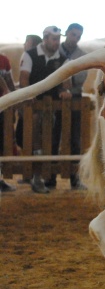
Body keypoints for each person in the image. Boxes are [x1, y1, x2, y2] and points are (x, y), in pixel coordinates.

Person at [19, 26, 73, 194]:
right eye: (54, 39)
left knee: (47, 141)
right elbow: (23, 79)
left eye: (58, 39)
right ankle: (34, 175)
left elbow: (66, 81)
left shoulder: (63, 59)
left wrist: (66, 91)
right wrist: (28, 94)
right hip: (32, 108)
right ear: (45, 38)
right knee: (27, 139)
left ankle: (39, 177)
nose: (57, 43)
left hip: (51, 109)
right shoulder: (30, 55)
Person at [55, 23, 88, 190]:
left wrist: (64, 81)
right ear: (67, 33)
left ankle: (75, 178)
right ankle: (50, 178)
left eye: (78, 36)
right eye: (73, 34)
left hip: (74, 97)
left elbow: (81, 78)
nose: (75, 38)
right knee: (53, 135)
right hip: (55, 98)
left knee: (75, 138)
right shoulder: (56, 52)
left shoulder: (82, 55)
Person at [0, 50, 16, 192]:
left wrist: (14, 96)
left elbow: (9, 80)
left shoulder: (3, 59)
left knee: (1, 143)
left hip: (2, 108)